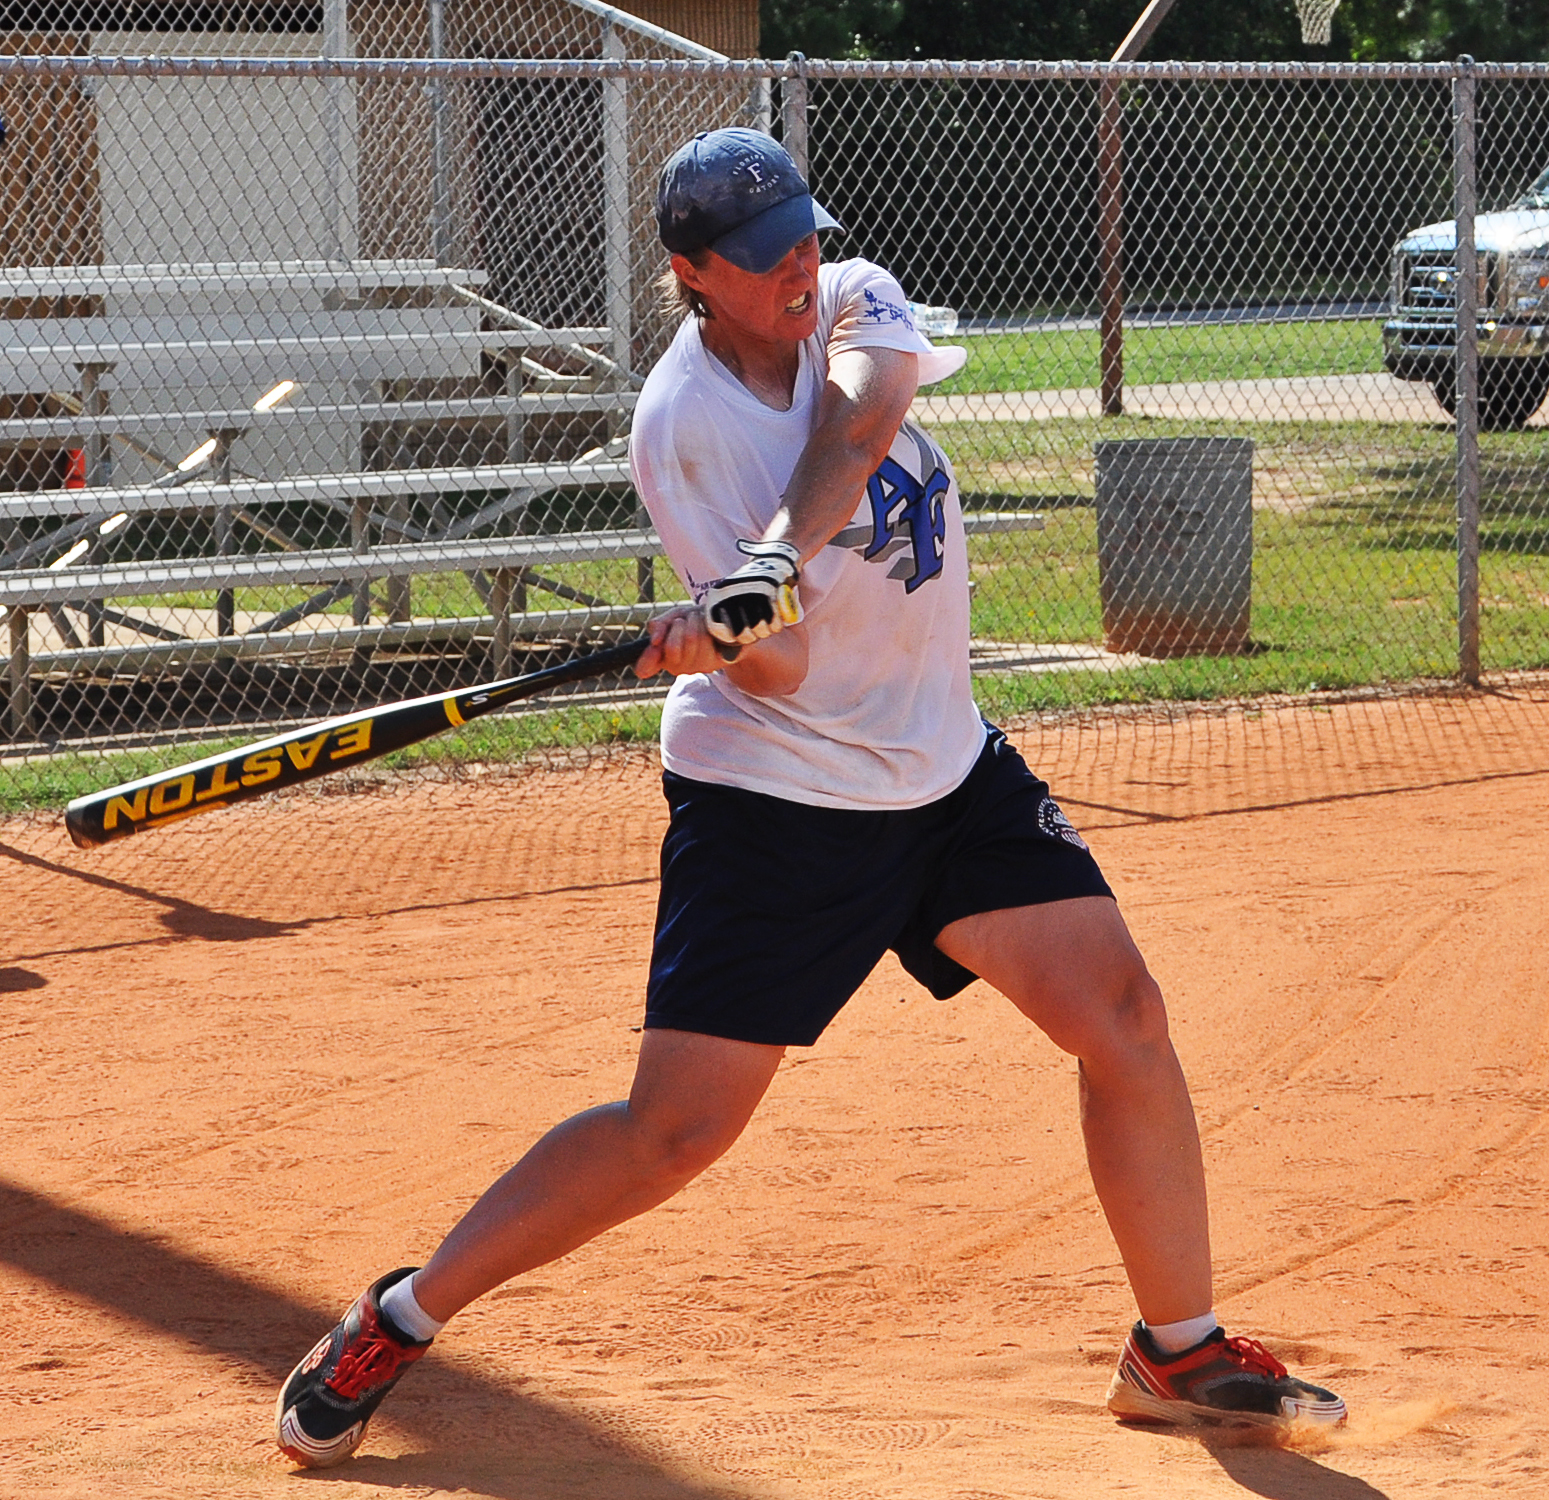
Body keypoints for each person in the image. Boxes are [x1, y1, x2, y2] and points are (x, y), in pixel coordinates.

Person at [274, 127, 1345, 1469]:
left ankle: (1173, 1349)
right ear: (692, 273)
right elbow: (775, 672)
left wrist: (765, 567)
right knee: (673, 1134)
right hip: (779, 803)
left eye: (806, 234)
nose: (800, 264)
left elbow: (865, 416)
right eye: (764, 251)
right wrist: (724, 637)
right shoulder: (682, 428)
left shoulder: (853, 300)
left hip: (946, 770)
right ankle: (405, 1314)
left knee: (1123, 1017)